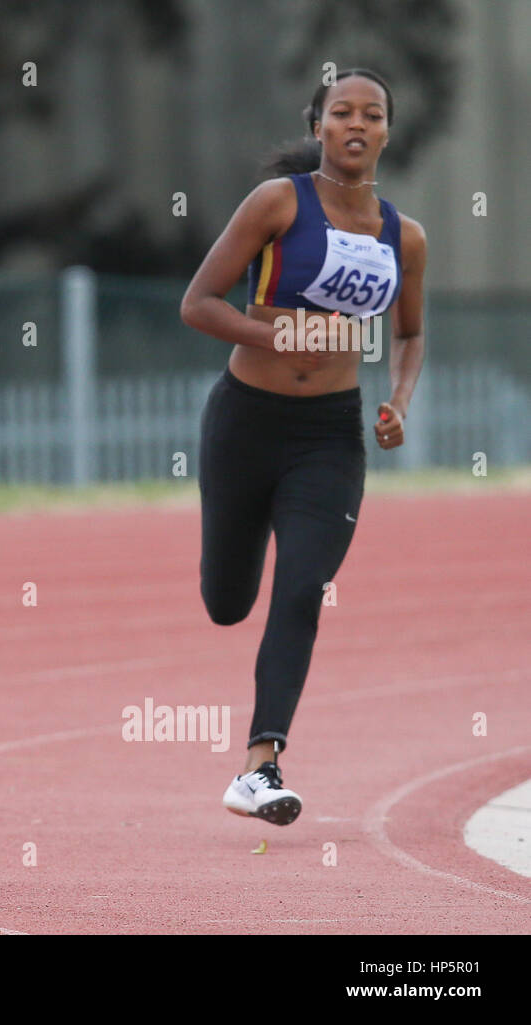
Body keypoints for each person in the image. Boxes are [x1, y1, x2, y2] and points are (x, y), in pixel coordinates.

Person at [180, 68, 426, 824]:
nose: (357, 124)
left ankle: (260, 763)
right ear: (318, 124)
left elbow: (410, 331)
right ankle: (227, 567)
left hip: (330, 436)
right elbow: (197, 304)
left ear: (388, 130)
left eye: (373, 113)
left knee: (302, 589)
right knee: (228, 602)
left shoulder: (404, 235)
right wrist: (276, 330)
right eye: (342, 111)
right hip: (245, 423)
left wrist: (397, 401)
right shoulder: (278, 204)